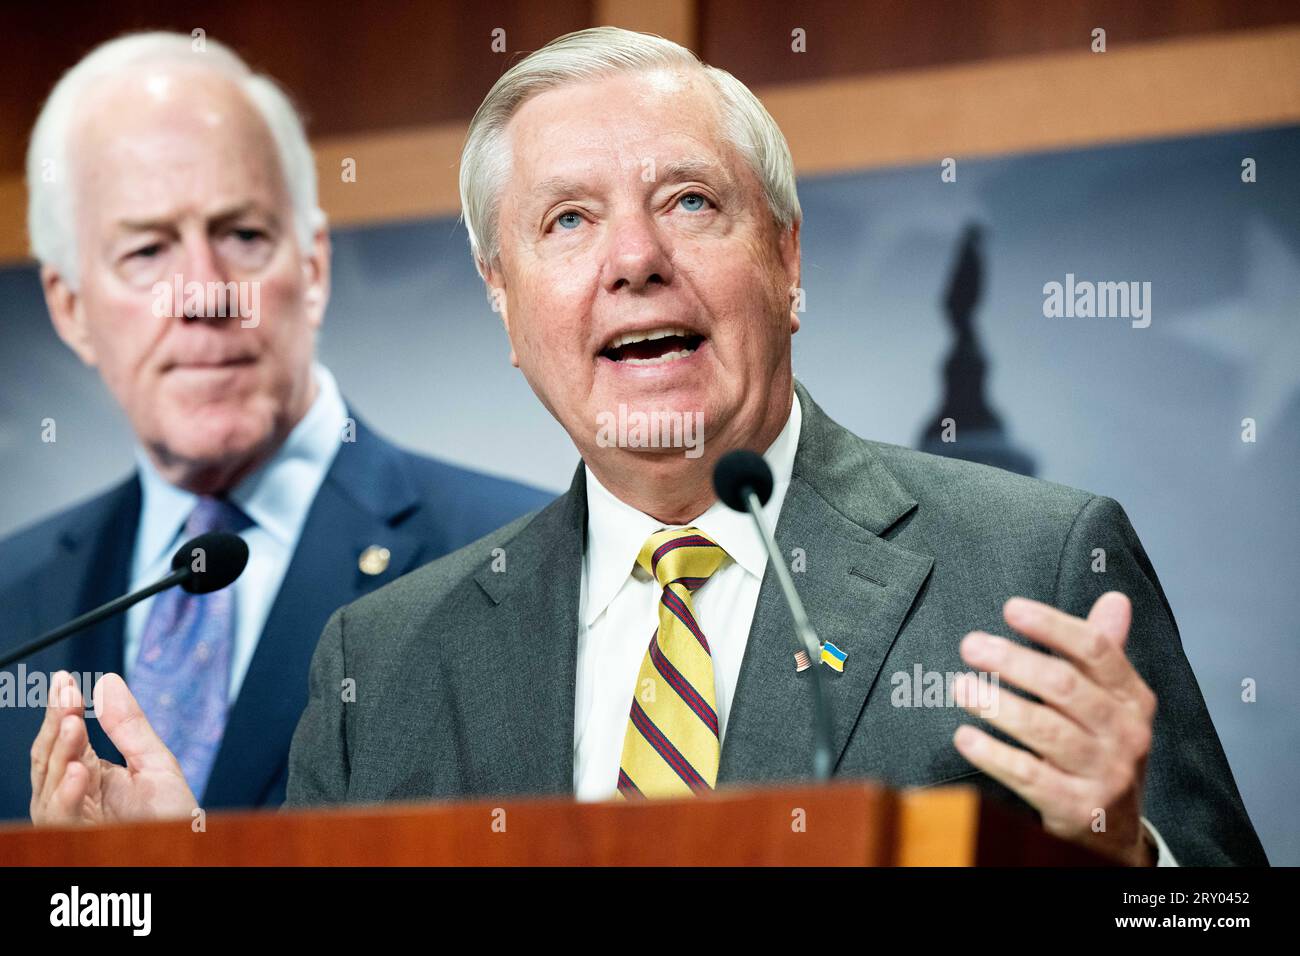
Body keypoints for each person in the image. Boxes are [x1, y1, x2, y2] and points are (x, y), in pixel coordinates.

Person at [30, 28, 1266, 866]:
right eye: (567, 220)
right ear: (507, 307)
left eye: (688, 200)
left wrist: (1127, 857)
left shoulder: (1035, 565)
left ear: (787, 262)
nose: (633, 257)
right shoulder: (383, 658)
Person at [2, 32, 550, 820]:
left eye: (243, 237)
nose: (206, 294)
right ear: (70, 307)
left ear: (314, 266)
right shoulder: (11, 604)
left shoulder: (516, 562)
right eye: (148, 250)